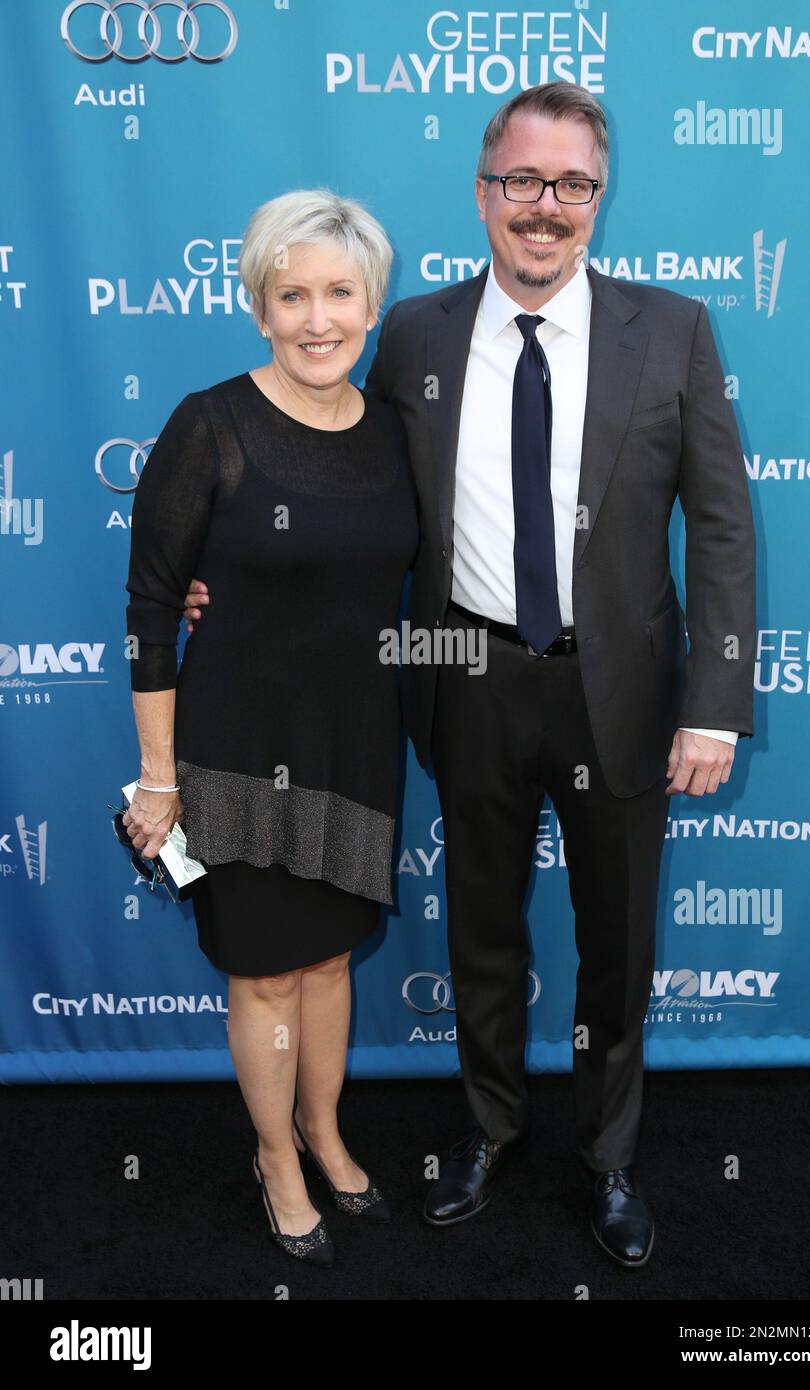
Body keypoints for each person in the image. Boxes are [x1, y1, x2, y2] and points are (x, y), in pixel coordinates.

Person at [183, 82, 756, 1270]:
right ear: (483, 191)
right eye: (520, 183)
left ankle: (603, 1158)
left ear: (598, 196)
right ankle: (491, 1130)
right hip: (463, 673)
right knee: (482, 935)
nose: (543, 209)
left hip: (624, 693)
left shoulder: (675, 330)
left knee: (616, 945)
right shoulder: (415, 337)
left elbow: (721, 530)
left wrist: (713, 702)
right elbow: (329, 480)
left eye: (570, 185)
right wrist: (218, 581)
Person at [123, 188, 419, 1267]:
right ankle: (275, 1159)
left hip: (354, 740)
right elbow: (154, 608)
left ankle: (324, 1130)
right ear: (258, 306)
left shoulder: (393, 431)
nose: (316, 318)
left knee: (330, 958)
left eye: (338, 292)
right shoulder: (211, 424)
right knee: (265, 972)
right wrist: (158, 780)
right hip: (235, 748)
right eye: (290, 294)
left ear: (373, 302)